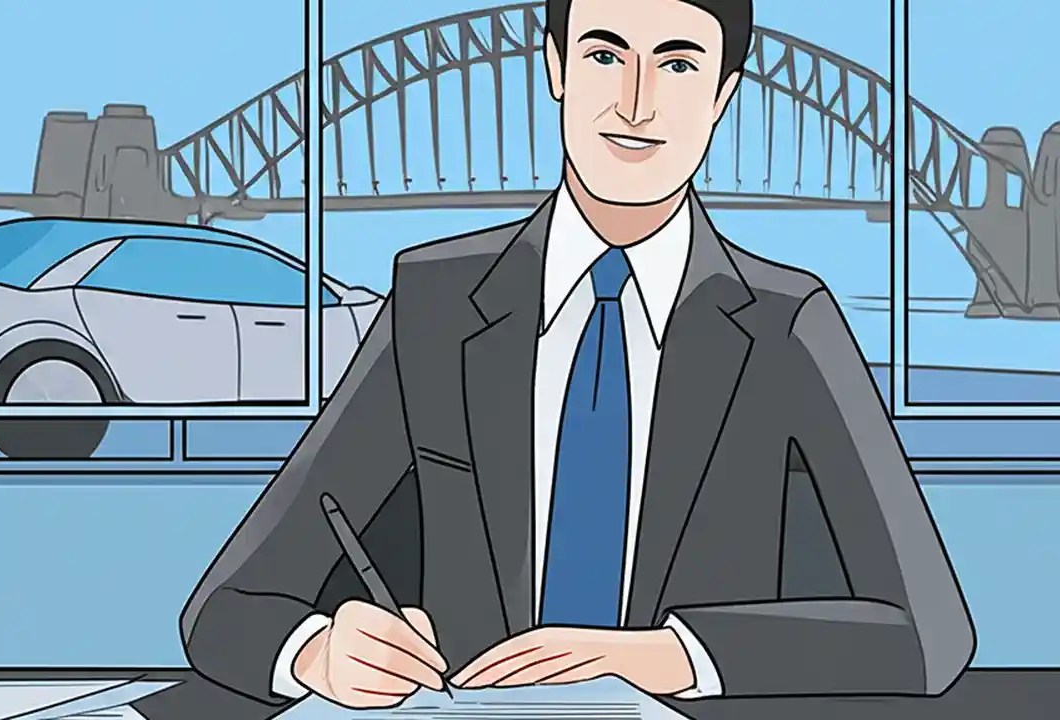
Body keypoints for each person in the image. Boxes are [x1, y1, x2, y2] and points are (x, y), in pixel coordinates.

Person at [180, 0, 976, 708]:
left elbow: (932, 632)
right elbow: (225, 603)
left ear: (723, 96)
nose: (635, 102)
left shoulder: (785, 324)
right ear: (555, 67)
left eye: (676, 63)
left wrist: (668, 656)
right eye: (604, 55)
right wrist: (316, 651)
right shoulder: (434, 304)